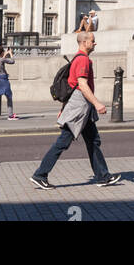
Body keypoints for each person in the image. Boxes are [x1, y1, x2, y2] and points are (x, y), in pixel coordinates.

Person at [30, 32, 120, 190]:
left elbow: (71, 86)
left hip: (81, 109)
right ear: (84, 42)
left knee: (93, 141)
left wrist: (64, 108)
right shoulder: (83, 60)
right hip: (79, 109)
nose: (95, 43)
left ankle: (102, 176)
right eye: (92, 41)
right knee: (62, 142)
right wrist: (98, 103)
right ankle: (40, 175)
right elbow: (82, 85)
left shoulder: (78, 59)